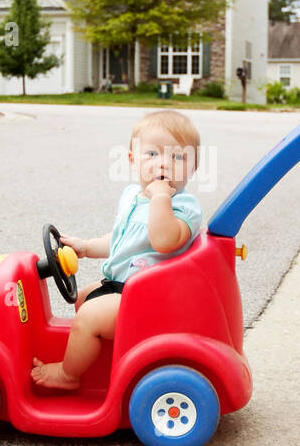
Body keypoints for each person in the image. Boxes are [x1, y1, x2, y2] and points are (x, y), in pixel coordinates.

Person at [31, 110, 204, 390]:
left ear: (194, 168)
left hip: (154, 299)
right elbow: (121, 238)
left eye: (178, 157)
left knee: (89, 316)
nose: (165, 164)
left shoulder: (185, 207)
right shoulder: (131, 196)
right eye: (153, 154)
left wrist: (161, 198)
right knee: (83, 299)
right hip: (122, 286)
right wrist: (87, 247)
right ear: (133, 160)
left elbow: (164, 241)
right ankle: (100, 355)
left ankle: (69, 375)